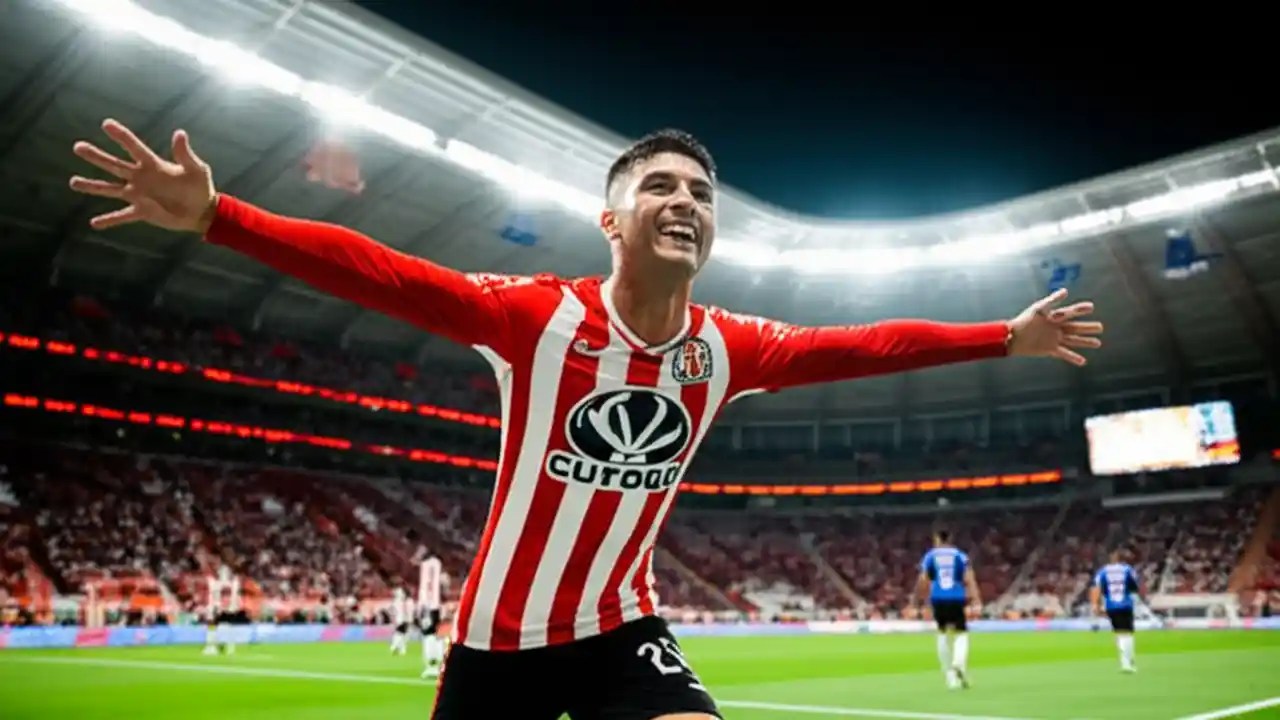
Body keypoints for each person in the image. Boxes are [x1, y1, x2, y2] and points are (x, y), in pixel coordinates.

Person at [69, 119, 1103, 720]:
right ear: (612, 220)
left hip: (620, 626)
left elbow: (867, 345)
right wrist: (216, 215)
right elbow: (380, 273)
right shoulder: (534, 319)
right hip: (494, 644)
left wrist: (997, 338)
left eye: (700, 191)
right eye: (659, 186)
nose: (686, 200)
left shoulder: (726, 349)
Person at [916, 530, 981, 689]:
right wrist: (976, 599)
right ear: (950, 538)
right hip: (957, 597)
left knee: (943, 633)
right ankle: (958, 662)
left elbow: (923, 579)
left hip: (938, 597)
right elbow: (968, 578)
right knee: (961, 633)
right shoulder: (960, 555)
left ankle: (950, 677)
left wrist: (920, 599)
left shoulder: (930, 556)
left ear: (937, 539)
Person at [1091, 550, 1142, 673]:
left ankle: (1127, 659)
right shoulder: (1127, 570)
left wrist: (1095, 605)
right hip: (1125, 604)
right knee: (1127, 633)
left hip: (1111, 605)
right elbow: (1135, 586)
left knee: (1119, 633)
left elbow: (1096, 588)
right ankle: (1127, 662)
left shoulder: (1103, 571)